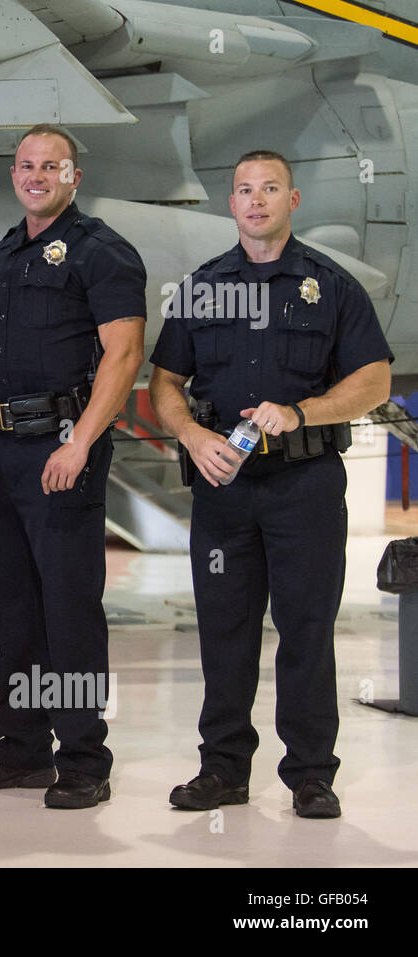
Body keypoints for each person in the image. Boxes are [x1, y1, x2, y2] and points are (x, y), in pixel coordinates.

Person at [149, 150, 392, 819]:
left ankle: (311, 773)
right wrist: (193, 437)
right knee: (224, 630)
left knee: (305, 629)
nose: (256, 200)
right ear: (230, 203)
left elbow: (372, 380)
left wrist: (302, 412)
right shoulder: (202, 286)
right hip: (223, 487)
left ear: (294, 200)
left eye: (270, 189)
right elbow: (166, 383)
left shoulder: (330, 285)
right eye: (244, 189)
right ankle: (223, 767)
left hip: (304, 483)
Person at [0, 123, 146, 809]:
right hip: (0, 452)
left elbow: (123, 354)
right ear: (13, 175)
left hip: (62, 450)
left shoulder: (101, 253)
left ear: (74, 176)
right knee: (13, 605)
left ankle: (84, 756)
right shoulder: (0, 255)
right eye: (26, 165)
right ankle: (23, 747)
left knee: (69, 609)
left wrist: (82, 441)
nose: (37, 175)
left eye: (51, 165)